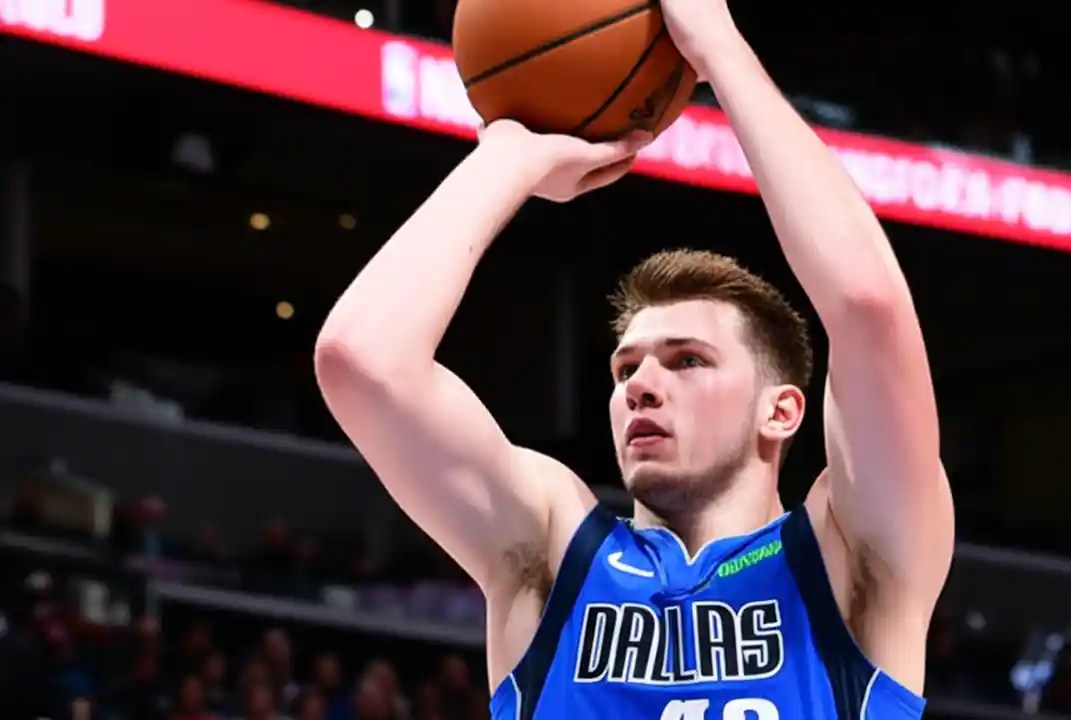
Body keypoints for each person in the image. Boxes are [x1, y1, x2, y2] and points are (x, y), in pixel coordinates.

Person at [315, 0, 955, 716]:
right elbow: (361, 360)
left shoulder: (848, 555)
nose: (641, 385)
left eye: (688, 361)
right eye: (625, 369)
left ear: (780, 411)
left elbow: (868, 304)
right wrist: (509, 154)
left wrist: (720, 52)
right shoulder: (553, 552)